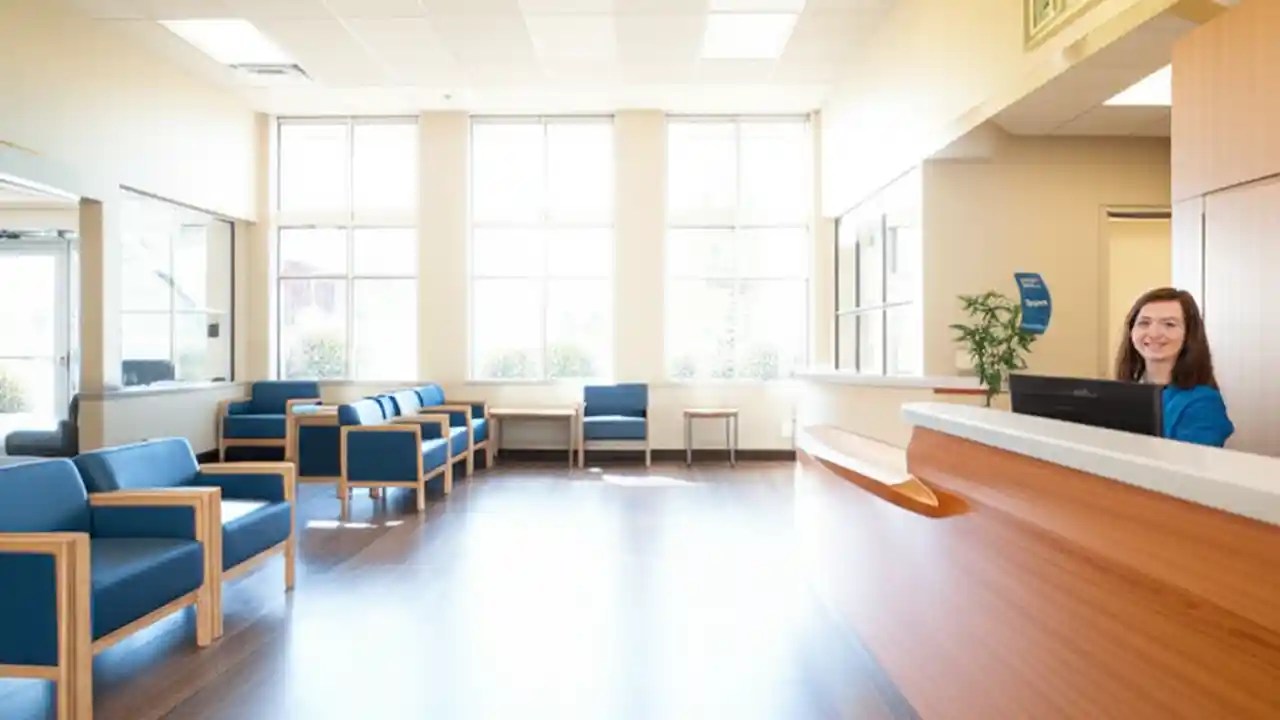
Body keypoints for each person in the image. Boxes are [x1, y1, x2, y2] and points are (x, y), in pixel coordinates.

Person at [1114, 287, 1234, 447]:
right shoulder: (1122, 393)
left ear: (1189, 335)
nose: (1154, 333)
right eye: (1144, 323)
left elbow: (1187, 467)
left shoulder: (1203, 403)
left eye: (1169, 324)